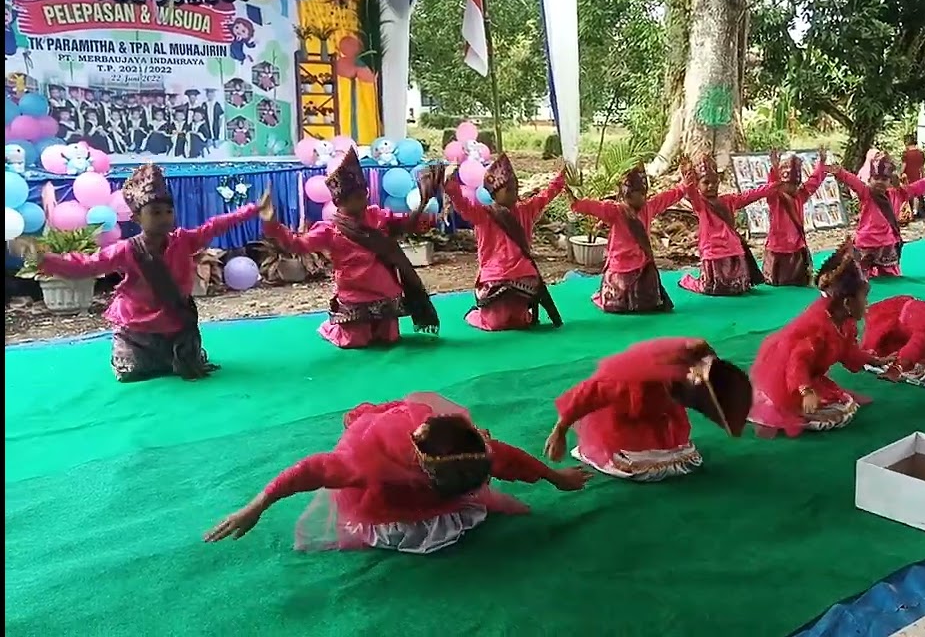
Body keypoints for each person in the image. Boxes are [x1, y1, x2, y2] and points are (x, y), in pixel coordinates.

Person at [204, 393, 590, 554]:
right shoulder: (365, 464)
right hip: (391, 505)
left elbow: (511, 459)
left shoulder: (473, 451)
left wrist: (557, 478)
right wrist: (255, 505)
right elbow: (308, 471)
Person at [36, 165, 264, 381]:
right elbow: (87, 266)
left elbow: (215, 225)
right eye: (155, 212)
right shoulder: (125, 250)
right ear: (136, 218)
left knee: (189, 367)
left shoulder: (184, 240)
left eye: (168, 211)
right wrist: (45, 260)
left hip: (177, 326)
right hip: (137, 332)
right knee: (132, 372)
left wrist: (253, 209)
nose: (164, 218)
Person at [263, 151, 442, 348]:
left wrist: (423, 202)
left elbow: (407, 225)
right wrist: (273, 225)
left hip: (386, 292)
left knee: (390, 339)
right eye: (357, 197)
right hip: (355, 294)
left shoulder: (377, 215)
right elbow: (298, 245)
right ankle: (331, 327)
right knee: (355, 342)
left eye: (364, 194)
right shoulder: (329, 230)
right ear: (340, 202)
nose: (364, 200)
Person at [543, 338, 753, 481]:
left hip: (662, 418)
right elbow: (585, 395)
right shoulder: (626, 380)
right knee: (643, 466)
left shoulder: (696, 361)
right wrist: (559, 430)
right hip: (625, 422)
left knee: (685, 459)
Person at [748, 244, 892, 437]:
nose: (867, 304)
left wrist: (876, 361)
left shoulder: (845, 323)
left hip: (810, 375)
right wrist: (806, 391)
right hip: (787, 374)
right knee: (835, 414)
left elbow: (849, 351)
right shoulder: (817, 328)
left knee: (844, 407)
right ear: (847, 303)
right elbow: (797, 362)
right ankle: (785, 405)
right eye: (863, 298)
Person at [444, 153, 568, 330]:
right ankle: (478, 315)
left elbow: (547, 195)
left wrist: (563, 176)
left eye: (516, 187)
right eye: (509, 189)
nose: (515, 192)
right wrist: (451, 186)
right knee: (495, 324)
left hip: (522, 274)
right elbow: (461, 204)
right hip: (495, 276)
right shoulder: (482, 214)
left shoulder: (526, 209)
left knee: (520, 321)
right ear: (494, 193)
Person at [568, 166, 683, 313]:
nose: (643, 197)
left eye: (644, 193)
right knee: (617, 305)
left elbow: (666, 198)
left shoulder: (648, 207)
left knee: (648, 302)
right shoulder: (616, 211)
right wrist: (577, 203)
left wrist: (683, 186)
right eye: (638, 194)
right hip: (619, 265)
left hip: (641, 265)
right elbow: (595, 207)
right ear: (627, 195)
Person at [676, 153, 776, 295]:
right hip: (713, 253)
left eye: (714, 182)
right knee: (712, 288)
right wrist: (687, 177)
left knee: (738, 288)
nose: (711, 186)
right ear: (698, 184)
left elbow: (751, 195)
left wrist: (771, 186)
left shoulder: (729, 200)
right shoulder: (700, 204)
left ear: (718, 182)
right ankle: (688, 281)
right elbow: (690, 193)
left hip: (734, 250)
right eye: (705, 182)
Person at [832, 155, 925, 277]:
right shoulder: (866, 193)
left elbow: (916, 188)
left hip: (887, 243)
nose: (879, 182)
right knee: (860, 276)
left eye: (884, 179)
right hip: (866, 242)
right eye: (876, 178)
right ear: (869, 180)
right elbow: (854, 182)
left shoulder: (898, 194)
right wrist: (840, 172)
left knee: (891, 277)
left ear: (890, 181)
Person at [760, 148, 827, 286]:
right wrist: (774, 168)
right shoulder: (775, 197)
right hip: (777, 246)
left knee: (798, 279)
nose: (791, 188)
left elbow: (814, 182)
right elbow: (771, 185)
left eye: (794, 184)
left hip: (796, 246)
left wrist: (822, 164)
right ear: (780, 183)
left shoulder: (800, 195)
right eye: (787, 184)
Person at [902, 134, 925, 216]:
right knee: (916, 193)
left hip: (908, 175)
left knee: (908, 192)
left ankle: (908, 210)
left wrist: (900, 174)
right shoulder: (921, 153)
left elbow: (904, 165)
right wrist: (924, 176)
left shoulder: (906, 154)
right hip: (917, 174)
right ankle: (916, 210)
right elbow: (922, 167)